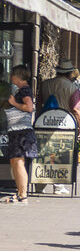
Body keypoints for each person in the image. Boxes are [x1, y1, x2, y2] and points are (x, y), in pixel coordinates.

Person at [3, 66, 37, 204]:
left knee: (18, 162)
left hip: (21, 132)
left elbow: (29, 107)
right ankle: (19, 193)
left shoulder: (24, 90)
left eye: (12, 75)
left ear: (18, 76)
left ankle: (22, 194)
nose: (11, 78)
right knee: (15, 162)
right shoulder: (22, 90)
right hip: (17, 132)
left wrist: (13, 103)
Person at [40, 59, 80, 141]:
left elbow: (39, 103)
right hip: (65, 123)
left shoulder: (45, 84)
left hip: (46, 121)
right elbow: (76, 109)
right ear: (70, 73)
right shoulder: (73, 88)